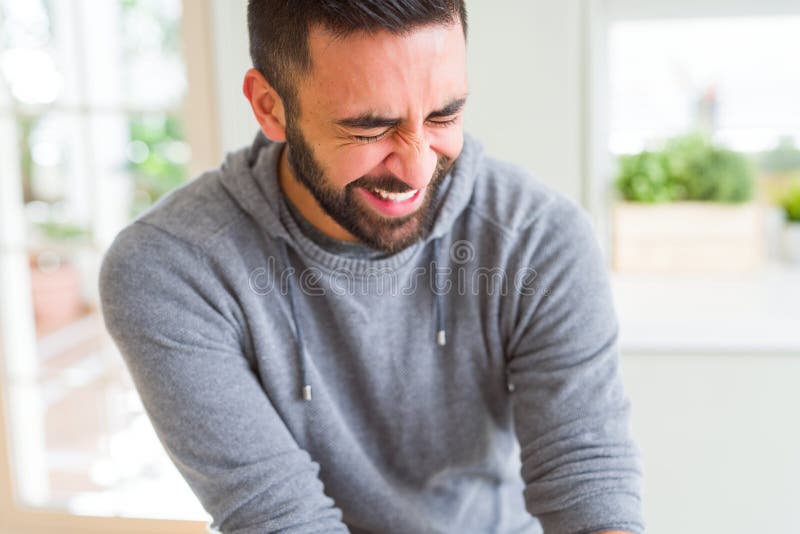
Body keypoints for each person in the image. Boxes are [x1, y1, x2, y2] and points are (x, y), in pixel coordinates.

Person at [98, 1, 644, 533]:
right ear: (270, 106)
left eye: (443, 115)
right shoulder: (170, 270)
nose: (417, 167)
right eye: (368, 129)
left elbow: (587, 482)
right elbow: (277, 518)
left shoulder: (539, 238)